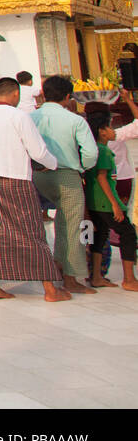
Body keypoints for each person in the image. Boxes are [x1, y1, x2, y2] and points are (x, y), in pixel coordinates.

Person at [0, 77, 69, 302]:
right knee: (31, 230)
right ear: (15, 95)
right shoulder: (19, 116)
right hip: (17, 179)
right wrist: (54, 164)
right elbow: (38, 151)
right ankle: (50, 290)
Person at [31, 74, 98, 294]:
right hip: (66, 174)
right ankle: (71, 278)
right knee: (72, 225)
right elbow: (90, 153)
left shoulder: (30, 116)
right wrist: (83, 167)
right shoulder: (75, 120)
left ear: (43, 93)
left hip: (36, 175)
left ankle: (57, 264)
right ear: (68, 97)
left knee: (58, 222)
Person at [83, 109, 138, 291]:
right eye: (110, 127)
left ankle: (97, 276)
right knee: (128, 233)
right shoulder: (104, 151)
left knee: (101, 235)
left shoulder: (91, 149)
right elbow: (101, 178)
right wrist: (115, 204)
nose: (113, 131)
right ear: (101, 130)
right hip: (106, 202)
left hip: (94, 202)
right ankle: (129, 279)